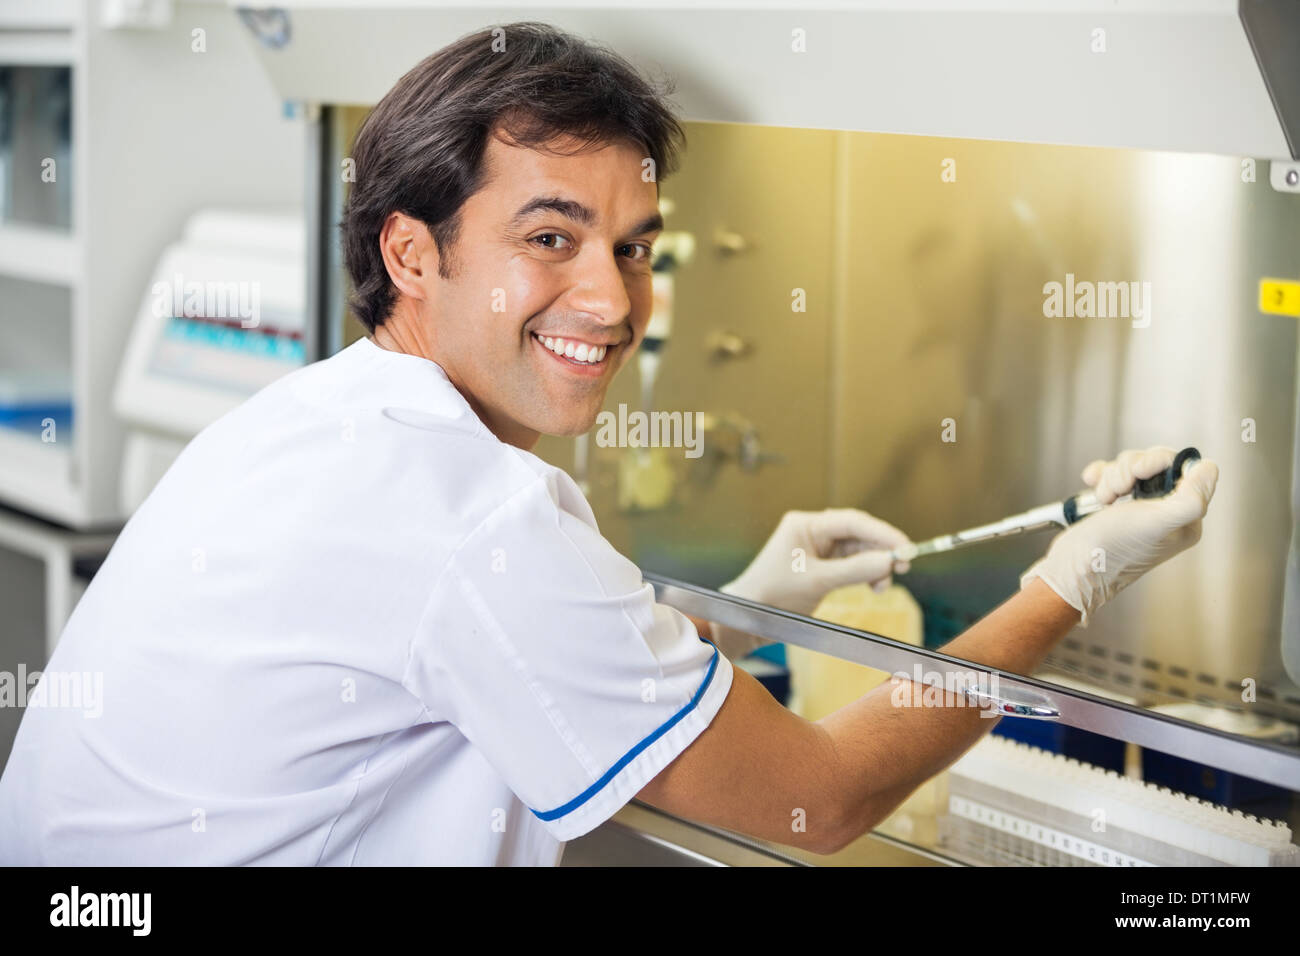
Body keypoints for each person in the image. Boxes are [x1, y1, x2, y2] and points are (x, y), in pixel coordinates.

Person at [0, 22, 1218, 865]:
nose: (612, 297)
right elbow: (819, 798)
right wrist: (1073, 580)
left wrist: (742, 607)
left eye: (632, 246)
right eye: (549, 237)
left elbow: (498, 664)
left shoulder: (318, 417)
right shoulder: (469, 513)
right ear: (412, 254)